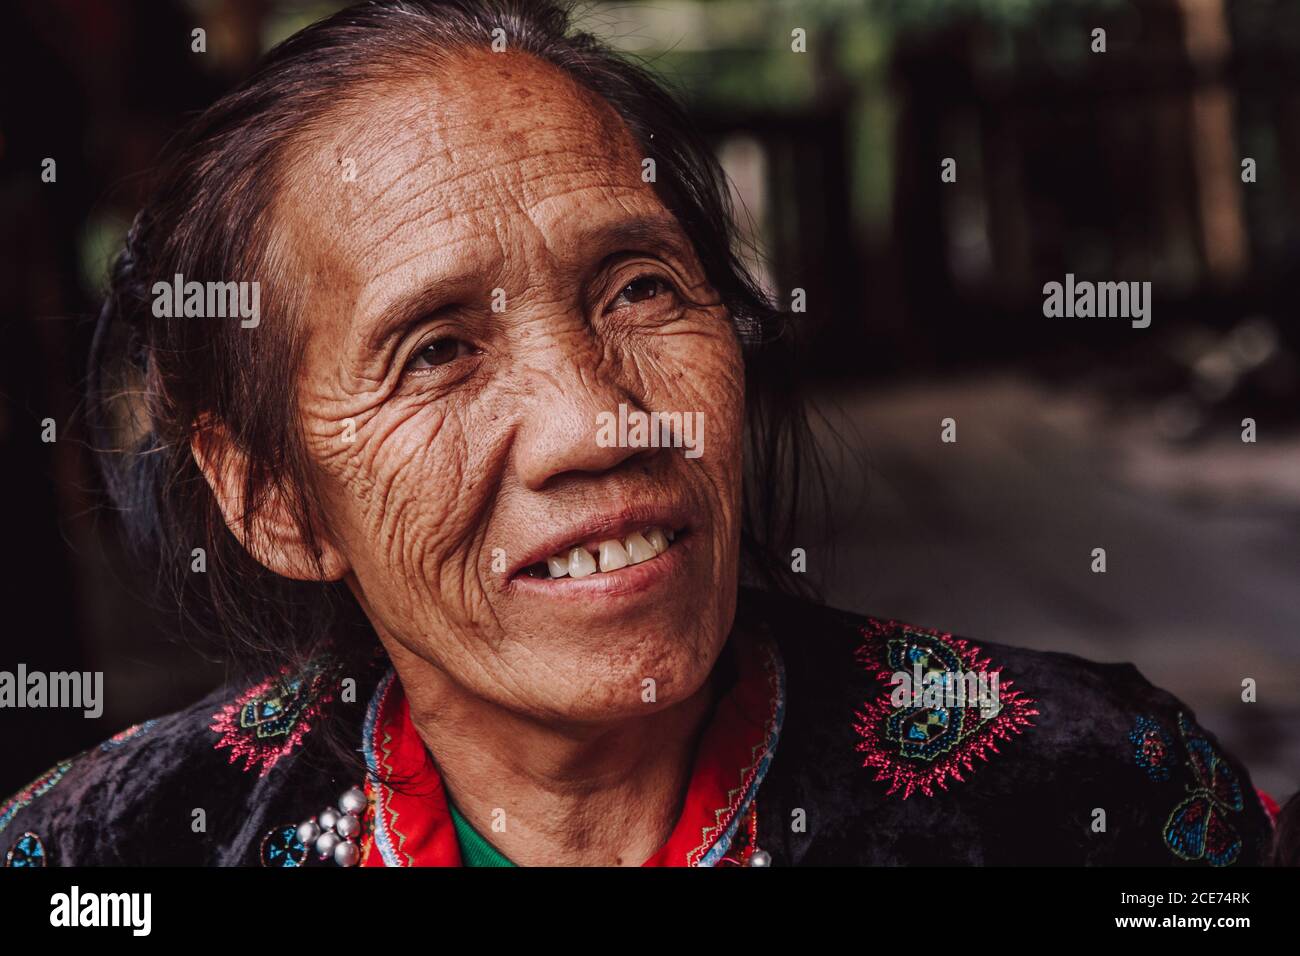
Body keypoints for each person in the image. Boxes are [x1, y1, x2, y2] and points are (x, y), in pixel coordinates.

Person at [0, 0, 1279, 867]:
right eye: (436, 349)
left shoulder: (1091, 792)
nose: (601, 422)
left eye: (642, 290)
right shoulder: (107, 851)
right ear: (272, 498)